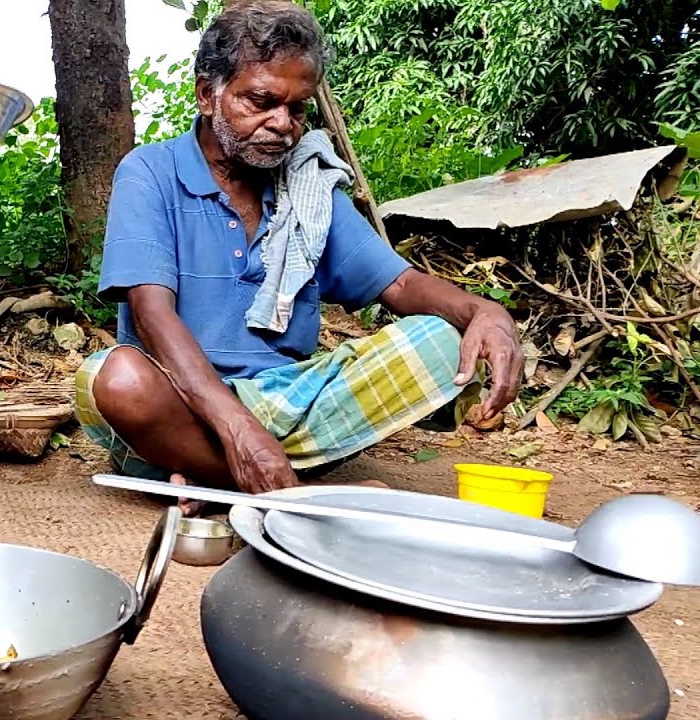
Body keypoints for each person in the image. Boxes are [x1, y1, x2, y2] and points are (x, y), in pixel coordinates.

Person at [74, 0, 524, 513]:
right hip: (179, 403)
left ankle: (218, 482)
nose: (282, 123)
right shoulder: (150, 172)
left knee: (443, 339)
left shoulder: (309, 187)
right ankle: (295, 494)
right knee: (115, 379)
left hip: (286, 405)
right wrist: (238, 427)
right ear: (207, 95)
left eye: (297, 108)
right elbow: (151, 316)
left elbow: (398, 286)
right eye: (261, 101)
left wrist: (484, 312)